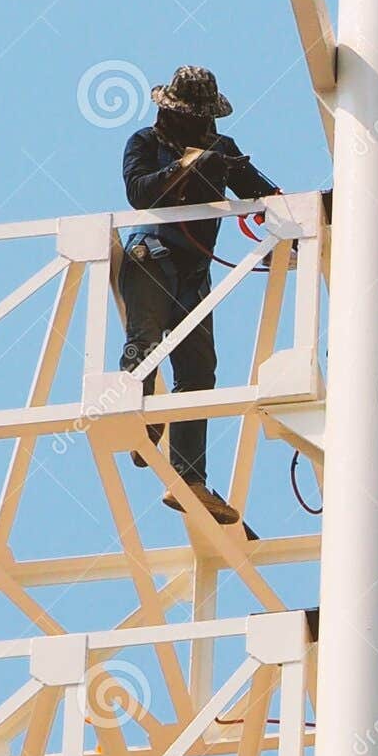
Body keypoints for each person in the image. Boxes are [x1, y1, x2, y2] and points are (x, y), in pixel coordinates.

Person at [120, 66, 279, 525]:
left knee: (197, 370)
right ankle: (137, 422)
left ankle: (190, 478)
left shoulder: (219, 148)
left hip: (193, 269)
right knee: (144, 341)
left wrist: (291, 222)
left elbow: (261, 193)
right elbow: (138, 193)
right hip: (151, 253)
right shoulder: (144, 143)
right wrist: (184, 166)